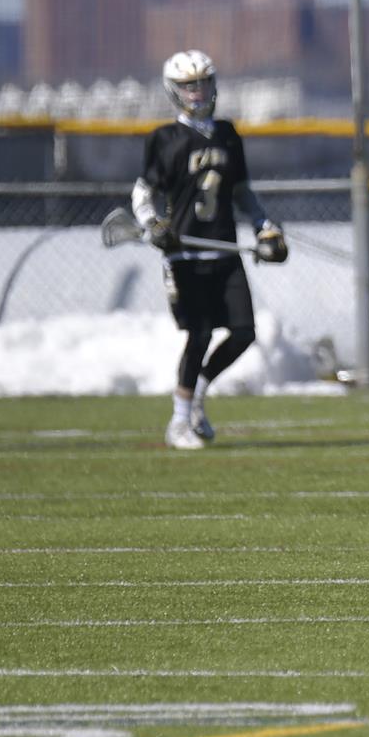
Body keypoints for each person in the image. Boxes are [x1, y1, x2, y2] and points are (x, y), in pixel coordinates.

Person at [131, 50, 289, 450]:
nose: (197, 92)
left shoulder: (228, 134)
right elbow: (143, 193)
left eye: (202, 82)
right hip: (185, 253)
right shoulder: (164, 139)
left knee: (243, 332)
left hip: (223, 249)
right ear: (174, 91)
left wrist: (264, 226)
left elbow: (240, 192)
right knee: (199, 333)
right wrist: (154, 226)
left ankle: (197, 394)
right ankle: (179, 421)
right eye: (188, 85)